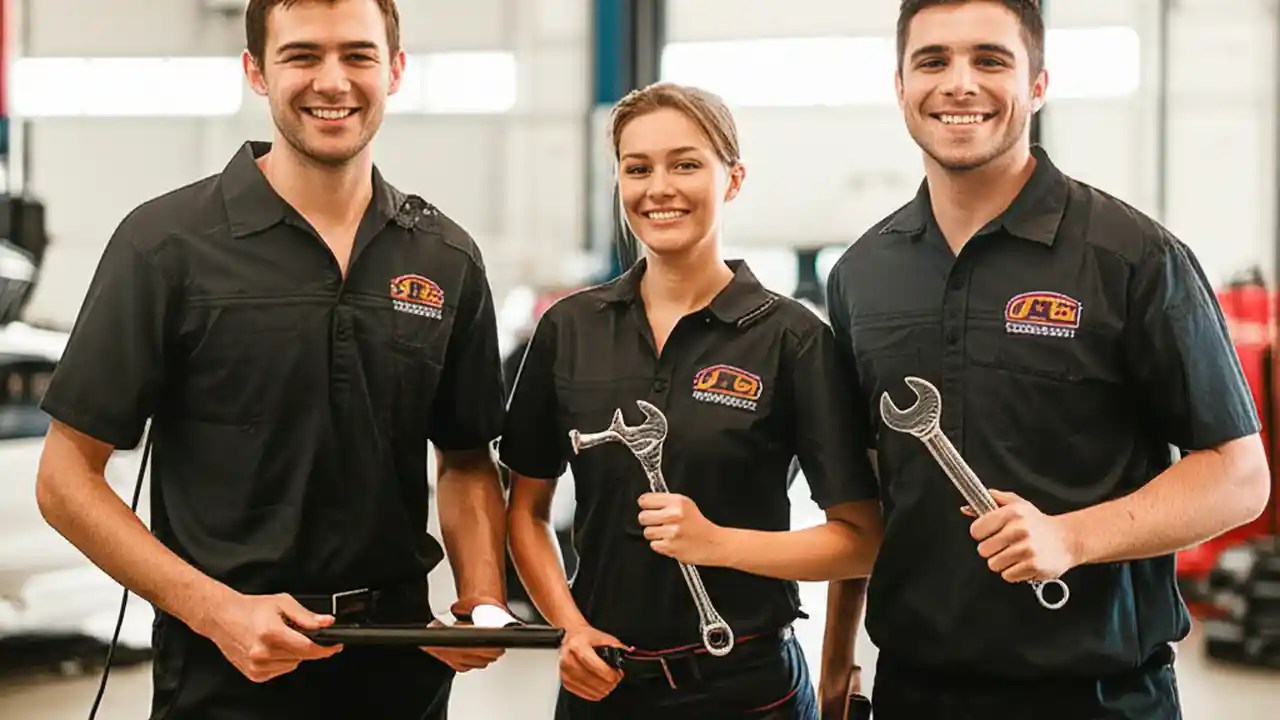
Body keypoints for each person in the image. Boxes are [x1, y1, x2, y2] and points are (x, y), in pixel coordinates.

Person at [34, 0, 511, 717]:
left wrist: (480, 597)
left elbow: (467, 459)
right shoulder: (165, 246)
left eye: (357, 55)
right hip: (224, 673)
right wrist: (215, 610)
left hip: (398, 672)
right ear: (257, 72)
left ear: (396, 70)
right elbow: (65, 480)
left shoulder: (445, 258)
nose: (332, 81)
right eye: (302, 56)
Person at [820, 1, 1272, 718]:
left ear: (1037, 84)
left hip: (1098, 695)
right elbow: (868, 490)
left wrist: (1072, 536)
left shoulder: (1133, 257)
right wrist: (837, 659)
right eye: (932, 60)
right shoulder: (860, 276)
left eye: (990, 59)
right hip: (915, 691)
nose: (958, 83)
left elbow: (1239, 476)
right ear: (900, 86)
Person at [500, 82, 883, 720]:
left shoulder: (793, 338)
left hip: (749, 687)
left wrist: (718, 543)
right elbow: (527, 511)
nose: (660, 188)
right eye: (637, 168)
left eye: (685, 164)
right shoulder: (569, 329)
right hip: (605, 684)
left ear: (732, 179)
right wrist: (568, 627)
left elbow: (859, 539)